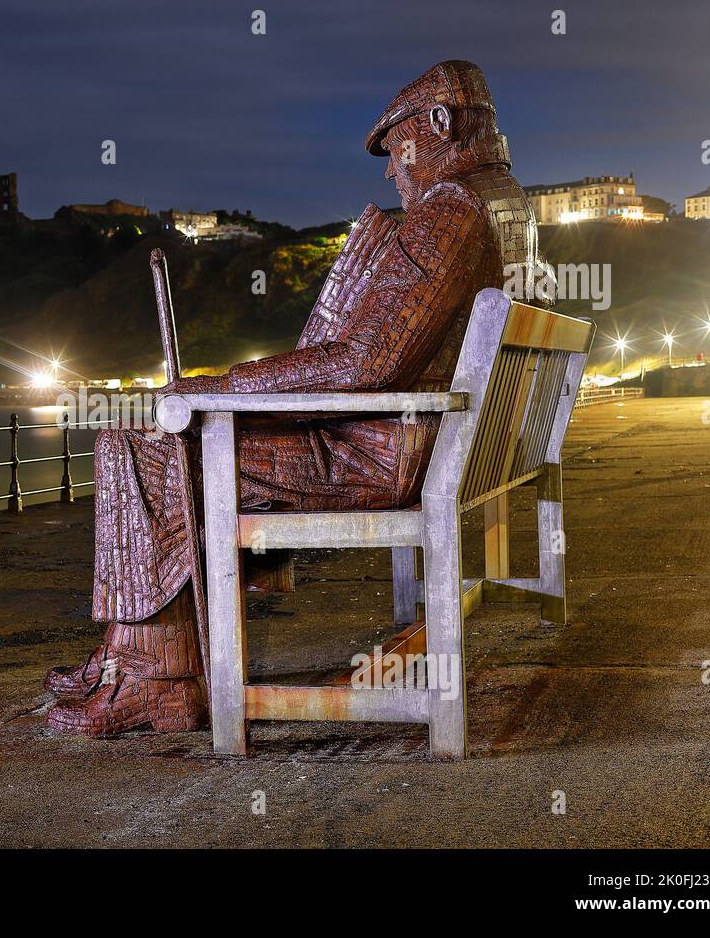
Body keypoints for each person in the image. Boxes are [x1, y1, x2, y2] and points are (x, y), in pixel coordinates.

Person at [46, 60, 548, 737]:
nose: (390, 172)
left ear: (439, 123)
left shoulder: (450, 211)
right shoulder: (505, 201)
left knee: (136, 444)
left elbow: (365, 362)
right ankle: (126, 657)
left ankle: (154, 679)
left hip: (385, 453)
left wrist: (212, 387)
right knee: (167, 445)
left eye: (396, 151)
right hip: (442, 441)